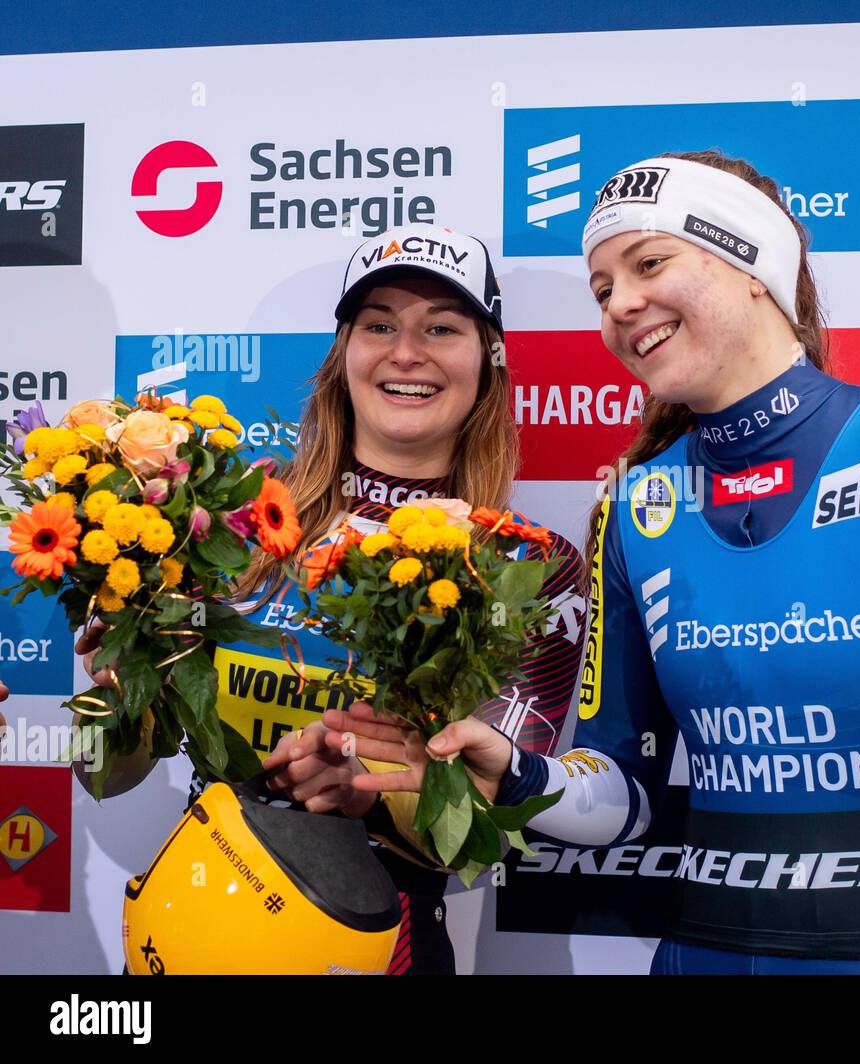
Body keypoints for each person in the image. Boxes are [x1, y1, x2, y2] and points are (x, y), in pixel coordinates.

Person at [325, 152, 860, 975]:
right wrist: (515, 772)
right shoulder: (636, 505)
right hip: (706, 955)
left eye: (648, 263)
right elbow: (628, 795)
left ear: (754, 262)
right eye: (601, 288)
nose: (621, 303)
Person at [76, 222, 585, 974]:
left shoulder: (526, 564)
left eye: (440, 328)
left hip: (382, 944)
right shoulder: (234, 518)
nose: (405, 352)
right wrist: (118, 694)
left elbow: (475, 837)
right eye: (378, 324)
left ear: (489, 362)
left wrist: (367, 787)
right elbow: (101, 776)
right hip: (190, 926)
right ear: (343, 354)